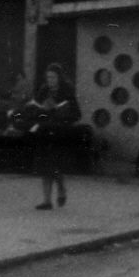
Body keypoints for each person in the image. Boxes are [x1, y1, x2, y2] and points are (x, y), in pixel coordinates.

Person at [27, 63, 82, 210]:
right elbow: (33, 109)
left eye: (53, 77)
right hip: (45, 131)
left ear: (59, 77)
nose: (50, 80)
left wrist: (59, 111)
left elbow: (77, 114)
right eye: (48, 77)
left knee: (55, 165)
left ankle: (61, 188)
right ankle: (46, 200)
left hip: (59, 133)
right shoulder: (44, 90)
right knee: (44, 165)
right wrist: (42, 109)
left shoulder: (67, 91)